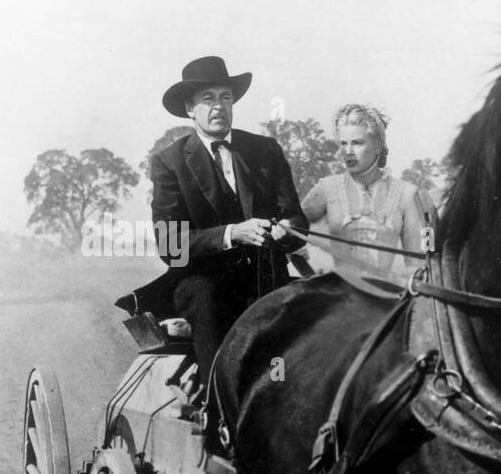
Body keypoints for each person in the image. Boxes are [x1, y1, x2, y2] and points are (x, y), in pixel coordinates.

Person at [122, 56, 309, 378]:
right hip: (203, 284)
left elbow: (296, 219)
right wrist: (232, 234)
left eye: (225, 97)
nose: (219, 106)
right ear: (189, 109)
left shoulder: (266, 150)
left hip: (268, 277)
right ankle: (216, 407)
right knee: (206, 297)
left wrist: (286, 230)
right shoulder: (170, 162)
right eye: (208, 99)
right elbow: (170, 245)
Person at [300, 104, 436, 281]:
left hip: (391, 300)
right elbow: (290, 231)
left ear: (378, 146)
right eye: (343, 143)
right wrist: (308, 276)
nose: (347, 151)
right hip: (336, 299)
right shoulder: (326, 188)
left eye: (357, 143)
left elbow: (421, 266)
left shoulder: (408, 194)